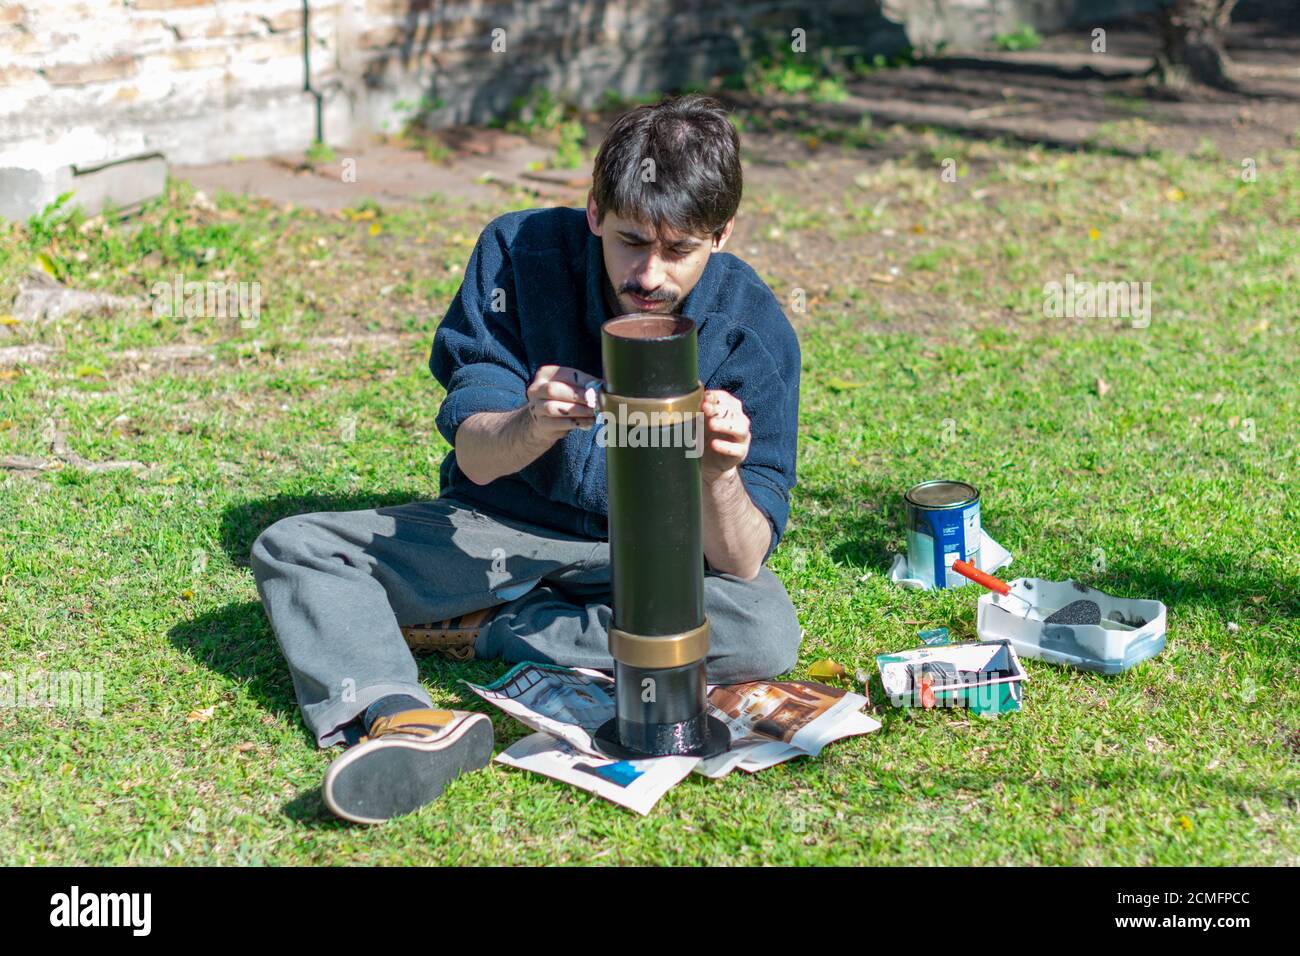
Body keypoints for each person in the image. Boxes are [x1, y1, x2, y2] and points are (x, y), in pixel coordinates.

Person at [250, 93, 802, 824]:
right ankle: (404, 717)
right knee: (297, 548)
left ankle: (483, 629)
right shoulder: (517, 256)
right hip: (495, 531)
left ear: (722, 235)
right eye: (631, 239)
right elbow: (477, 459)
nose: (650, 274)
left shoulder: (750, 326)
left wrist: (719, 473)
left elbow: (740, 558)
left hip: (658, 561)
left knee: (763, 632)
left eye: (680, 250)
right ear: (594, 212)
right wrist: (530, 423)